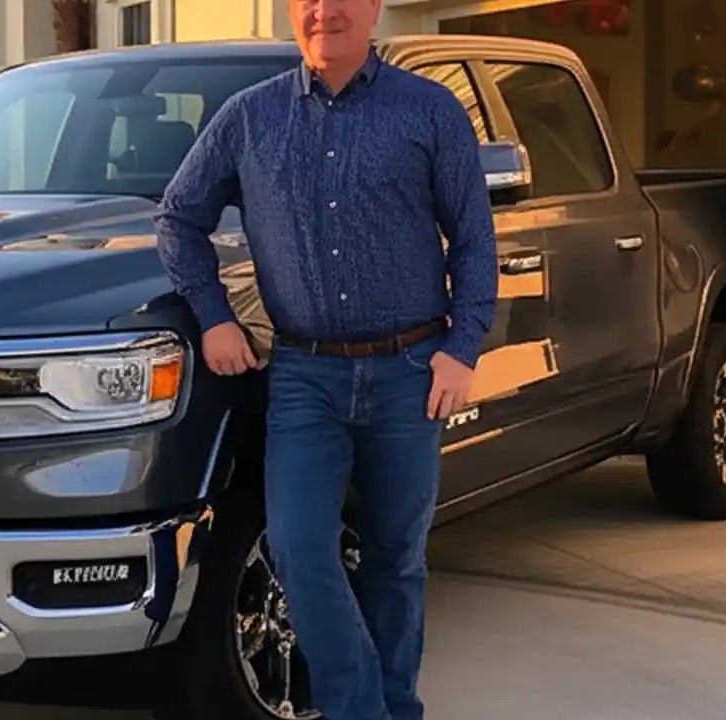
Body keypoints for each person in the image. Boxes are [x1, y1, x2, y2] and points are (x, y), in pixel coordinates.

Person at [153, 0, 498, 718]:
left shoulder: (430, 110)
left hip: (411, 371)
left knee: (396, 561)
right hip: (305, 375)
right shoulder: (250, 118)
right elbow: (178, 216)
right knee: (299, 547)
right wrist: (214, 319)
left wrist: (461, 349)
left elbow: (472, 238)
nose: (323, 11)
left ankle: (392, 707)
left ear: (373, 8)